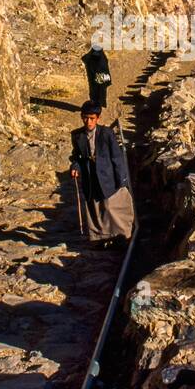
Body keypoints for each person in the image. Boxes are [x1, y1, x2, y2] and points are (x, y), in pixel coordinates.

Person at [69, 100, 133, 244]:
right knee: (95, 208)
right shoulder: (77, 136)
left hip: (107, 175)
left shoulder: (106, 134)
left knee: (112, 206)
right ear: (81, 117)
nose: (88, 122)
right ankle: (99, 238)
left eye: (92, 118)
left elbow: (116, 156)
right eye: (85, 118)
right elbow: (76, 157)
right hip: (90, 177)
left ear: (98, 118)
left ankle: (123, 235)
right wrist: (75, 167)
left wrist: (122, 179)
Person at [82, 41, 111, 109]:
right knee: (99, 93)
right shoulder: (101, 55)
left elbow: (85, 59)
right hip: (99, 78)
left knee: (97, 93)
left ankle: (96, 107)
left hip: (98, 78)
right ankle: (97, 106)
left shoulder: (95, 55)